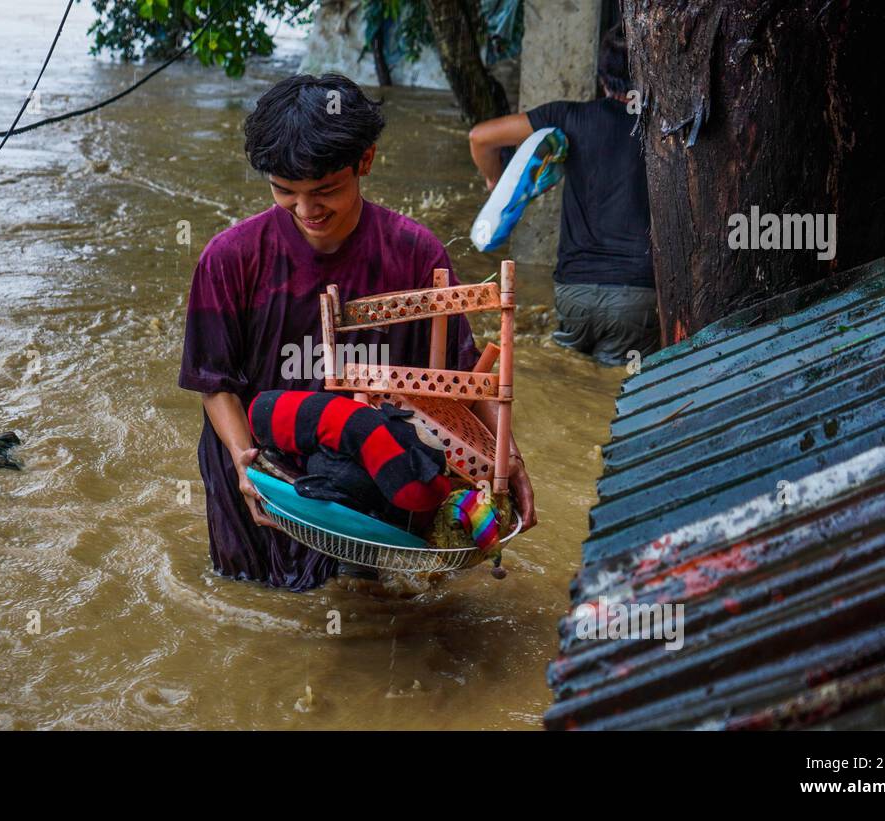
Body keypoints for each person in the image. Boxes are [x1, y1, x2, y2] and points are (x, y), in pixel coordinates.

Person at [178, 74, 538, 592]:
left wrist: (509, 463)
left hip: (368, 478)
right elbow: (214, 381)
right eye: (285, 191)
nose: (307, 211)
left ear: (365, 161)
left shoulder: (415, 254)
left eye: (325, 190)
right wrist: (241, 459)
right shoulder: (230, 258)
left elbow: (461, 378)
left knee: (366, 608)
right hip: (262, 473)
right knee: (251, 602)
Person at [467, 26, 659, 366]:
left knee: (568, 376)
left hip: (573, 294)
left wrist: (495, 181)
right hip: (636, 299)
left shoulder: (569, 117)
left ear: (602, 79)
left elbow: (480, 138)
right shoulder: (664, 129)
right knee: (616, 391)